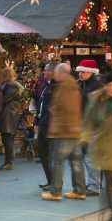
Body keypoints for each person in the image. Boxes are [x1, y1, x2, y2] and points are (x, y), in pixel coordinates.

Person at [81, 71, 112, 220]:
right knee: (108, 177)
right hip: (99, 143)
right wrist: (85, 139)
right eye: (110, 85)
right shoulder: (95, 98)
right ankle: (111, 211)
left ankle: (111, 210)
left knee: (109, 177)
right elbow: (88, 120)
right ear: (105, 85)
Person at [41, 63, 86, 201]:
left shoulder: (65, 88)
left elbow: (66, 110)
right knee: (76, 162)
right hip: (74, 130)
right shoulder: (74, 86)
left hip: (64, 131)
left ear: (62, 73)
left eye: (56, 73)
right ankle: (79, 190)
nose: (54, 75)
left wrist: (54, 115)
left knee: (57, 162)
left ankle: (56, 191)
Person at [75, 59, 103, 197]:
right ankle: (95, 183)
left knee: (89, 156)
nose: (80, 74)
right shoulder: (85, 85)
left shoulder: (95, 87)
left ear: (91, 72)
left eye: (83, 71)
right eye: (80, 71)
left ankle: (94, 186)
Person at [0, 67, 24, 171]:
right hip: (11, 113)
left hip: (9, 114)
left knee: (7, 138)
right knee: (8, 138)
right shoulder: (13, 85)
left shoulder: (10, 85)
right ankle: (8, 161)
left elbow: (4, 99)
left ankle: (9, 162)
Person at [36, 63, 56, 189]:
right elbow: (41, 105)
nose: (44, 73)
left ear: (52, 72)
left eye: (46, 71)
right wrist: (37, 122)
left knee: (50, 155)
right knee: (43, 154)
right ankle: (50, 180)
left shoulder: (56, 86)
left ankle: (54, 182)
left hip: (50, 126)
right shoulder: (46, 86)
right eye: (44, 70)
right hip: (42, 123)